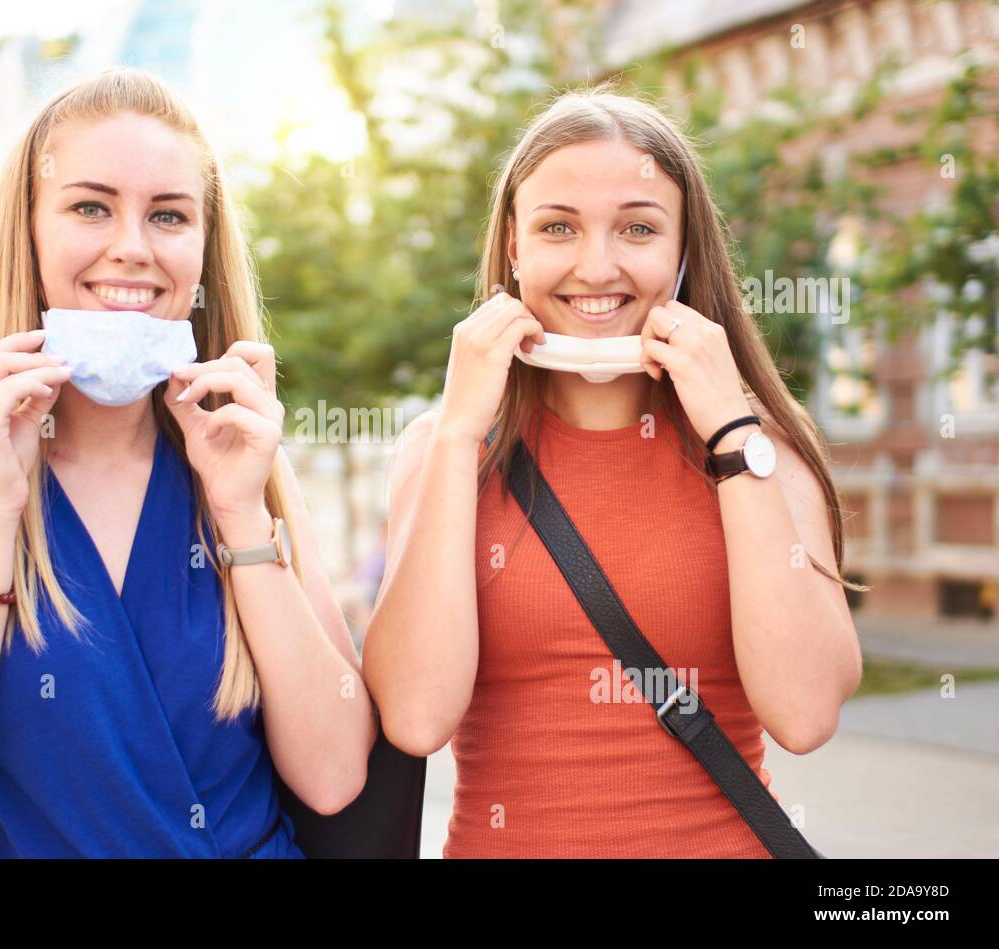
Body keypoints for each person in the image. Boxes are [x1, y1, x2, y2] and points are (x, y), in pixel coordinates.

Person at [0, 68, 374, 858]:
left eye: (168, 215)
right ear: (30, 233)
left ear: (201, 249)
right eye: (91, 207)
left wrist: (240, 515)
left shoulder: (241, 457)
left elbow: (332, 775)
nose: (132, 247)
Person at [363, 85, 866, 858]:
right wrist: (459, 432)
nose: (596, 267)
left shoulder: (762, 450)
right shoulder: (444, 449)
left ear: (683, 250)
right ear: (512, 246)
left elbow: (804, 715)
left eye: (637, 228)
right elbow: (415, 717)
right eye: (558, 227)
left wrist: (732, 432)